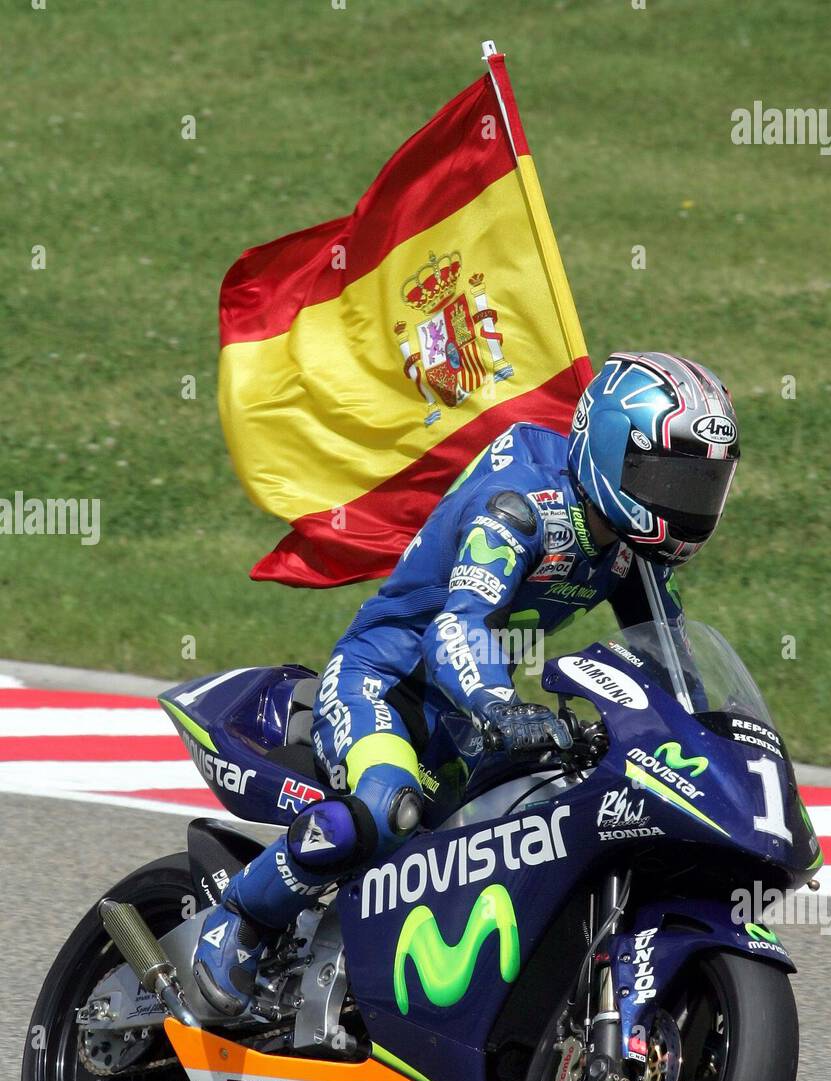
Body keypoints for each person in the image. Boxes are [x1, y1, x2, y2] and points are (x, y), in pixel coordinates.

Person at [193, 350, 740, 1015]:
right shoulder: (519, 510)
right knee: (390, 807)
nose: (678, 503)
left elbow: (671, 666)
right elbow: (458, 627)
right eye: (663, 477)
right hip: (385, 683)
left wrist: (703, 742)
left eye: (696, 486)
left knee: (536, 825)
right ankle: (242, 917)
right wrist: (499, 706)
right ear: (607, 451)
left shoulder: (630, 550)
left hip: (467, 718)